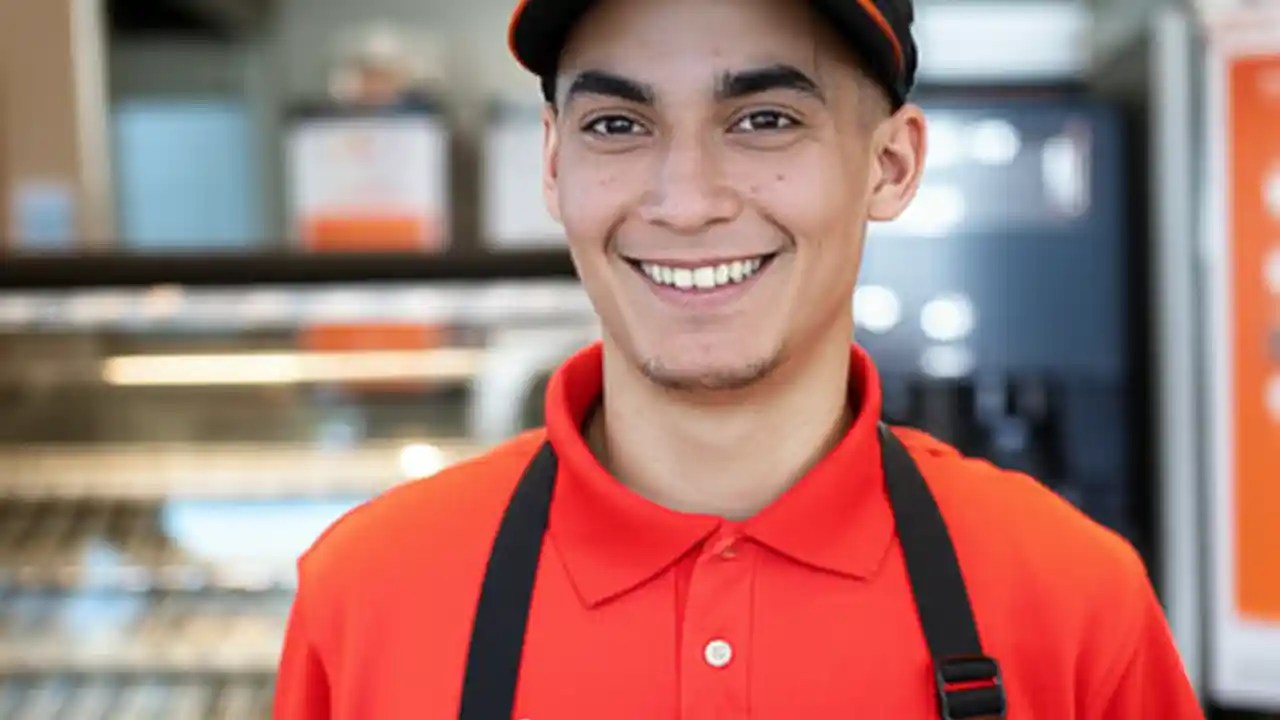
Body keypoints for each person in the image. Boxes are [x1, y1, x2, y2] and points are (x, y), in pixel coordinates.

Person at [274, 0, 1205, 717]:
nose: (686, 201)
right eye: (617, 126)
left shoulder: (1075, 603)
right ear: (554, 166)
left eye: (763, 120)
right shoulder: (367, 597)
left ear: (892, 165)